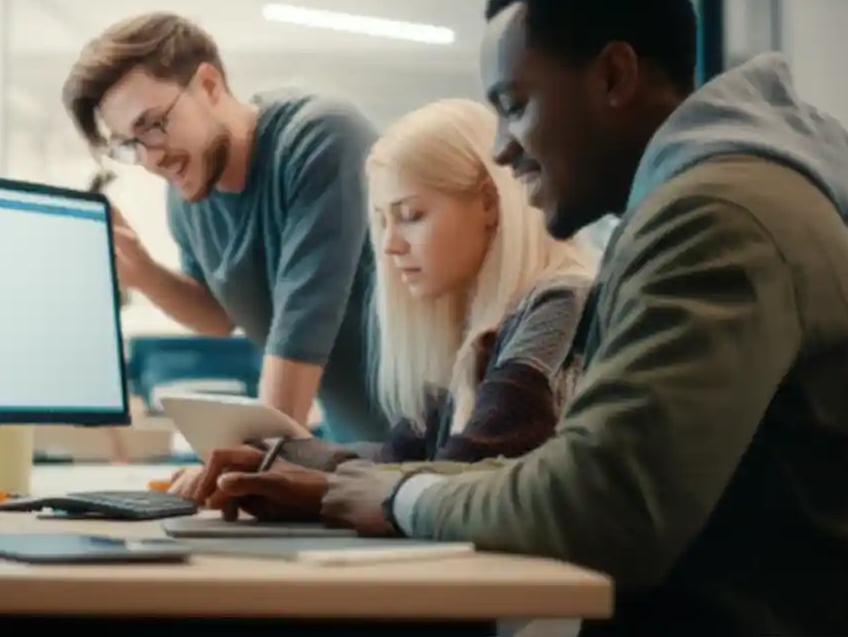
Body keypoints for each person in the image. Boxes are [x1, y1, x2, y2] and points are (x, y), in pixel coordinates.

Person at [197, 0, 848, 636]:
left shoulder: (712, 219)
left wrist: (398, 497)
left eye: (516, 105)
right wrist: (357, 483)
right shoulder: (711, 205)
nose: (502, 147)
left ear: (614, 76)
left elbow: (605, 506)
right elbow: (573, 469)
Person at [182, 98, 597, 510]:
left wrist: (321, 489)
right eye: (383, 221)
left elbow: (469, 473)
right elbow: (400, 458)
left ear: (489, 203)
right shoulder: (475, 327)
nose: (390, 245)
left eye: (411, 215)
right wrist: (272, 457)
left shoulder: (558, 305)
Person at [61, 12, 389, 455]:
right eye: (129, 144)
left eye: (153, 125)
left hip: (440, 441)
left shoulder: (320, 139)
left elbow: (302, 332)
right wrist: (142, 272)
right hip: (363, 447)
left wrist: (242, 466)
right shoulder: (188, 190)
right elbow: (218, 316)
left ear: (209, 85)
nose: (151, 160)